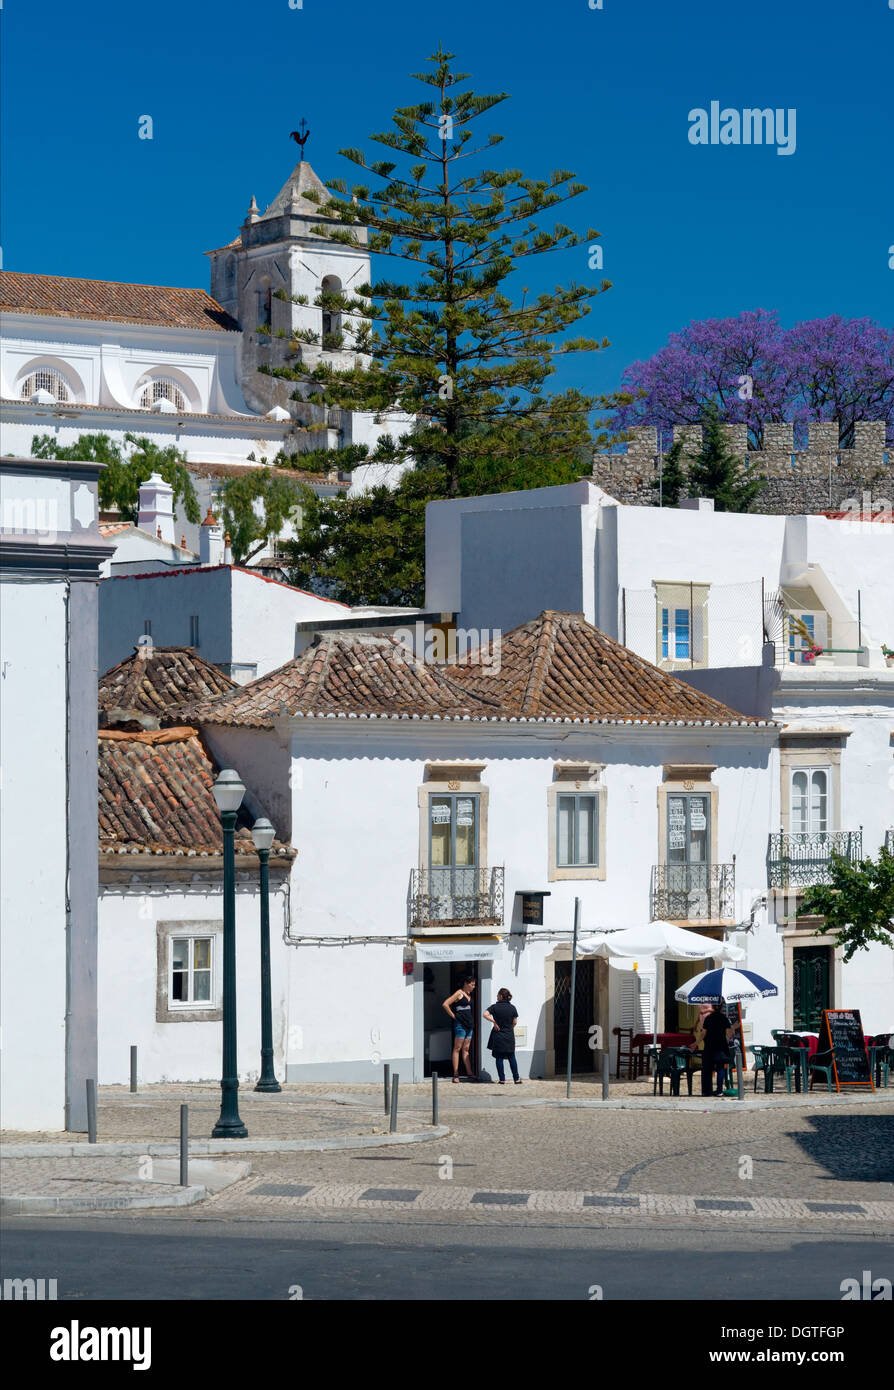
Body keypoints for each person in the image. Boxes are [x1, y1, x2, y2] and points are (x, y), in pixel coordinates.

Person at [443, 975, 477, 1083]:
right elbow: (445, 1004)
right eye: (472, 984)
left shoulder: (469, 995)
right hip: (460, 1025)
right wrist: (454, 1016)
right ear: (466, 984)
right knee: (457, 1048)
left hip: (469, 1025)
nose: (474, 986)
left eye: (474, 984)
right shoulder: (459, 993)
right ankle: (456, 1074)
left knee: (466, 1049)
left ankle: (469, 1072)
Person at [484, 988, 521, 1084]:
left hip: (498, 1035)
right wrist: (509, 1028)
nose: (497, 997)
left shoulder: (494, 1007)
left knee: (499, 1057)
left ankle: (502, 1079)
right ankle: (516, 1079)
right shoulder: (512, 1007)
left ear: (500, 996)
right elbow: (515, 1022)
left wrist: (494, 1022)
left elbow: (485, 1014)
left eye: (497, 995)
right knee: (511, 1057)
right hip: (509, 1035)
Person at [701, 1000, 734, 1097]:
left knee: (707, 1069)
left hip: (709, 1046)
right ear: (722, 1006)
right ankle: (719, 1090)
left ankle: (706, 1092)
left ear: (713, 1006)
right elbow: (728, 1033)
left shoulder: (708, 1018)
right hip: (721, 1046)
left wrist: (696, 1043)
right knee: (720, 1069)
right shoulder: (724, 1018)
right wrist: (734, 1027)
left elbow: (703, 1033)